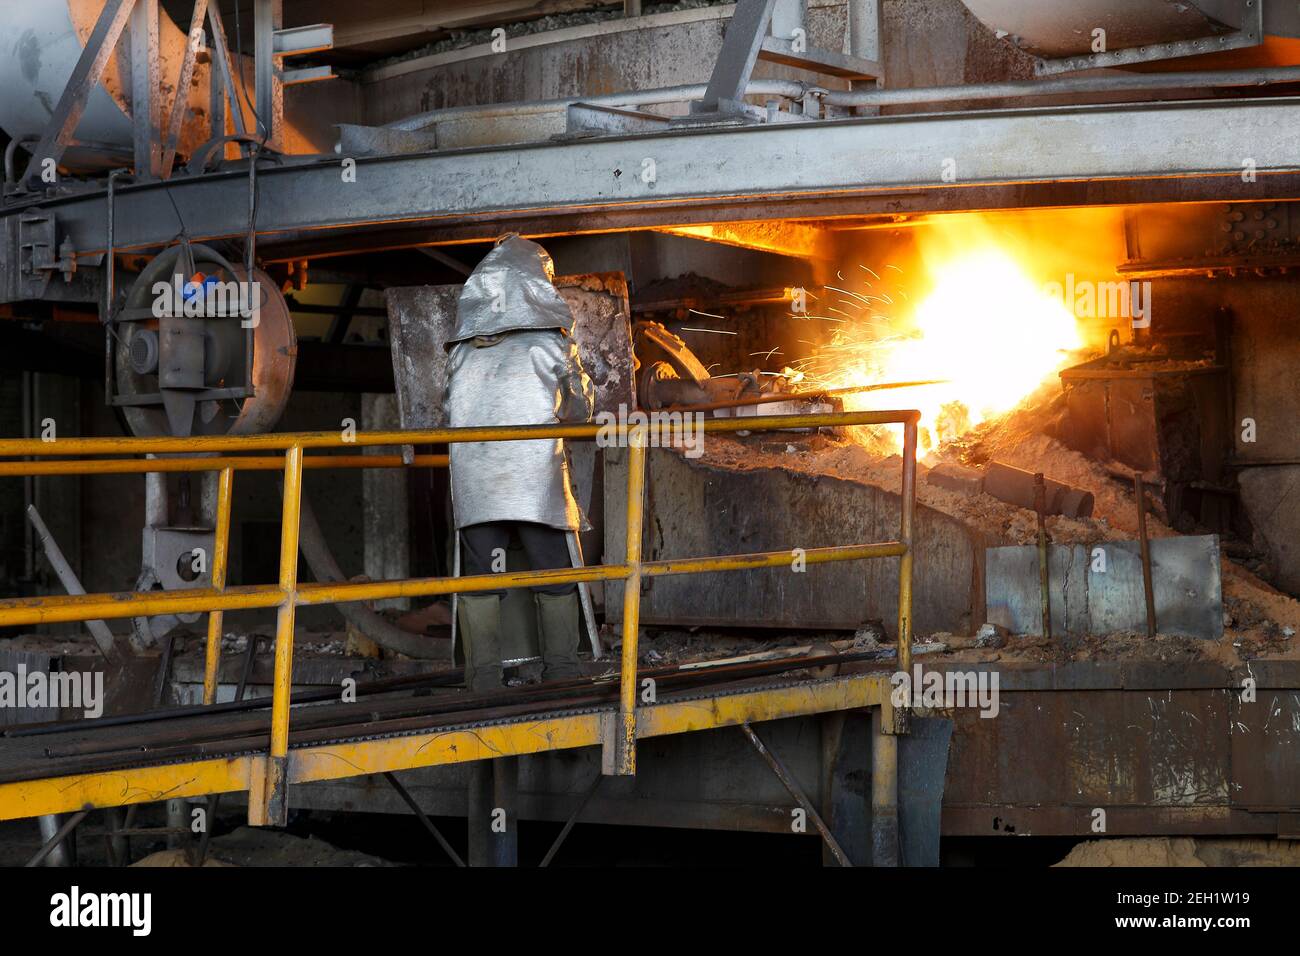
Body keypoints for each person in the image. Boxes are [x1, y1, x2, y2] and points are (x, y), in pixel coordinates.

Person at [443, 234, 595, 692]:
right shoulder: (552, 343)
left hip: (478, 485)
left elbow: (446, 408)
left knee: (482, 580)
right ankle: (563, 674)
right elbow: (580, 407)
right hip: (535, 482)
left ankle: (484, 681)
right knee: (552, 575)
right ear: (537, 285)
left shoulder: (461, 350)